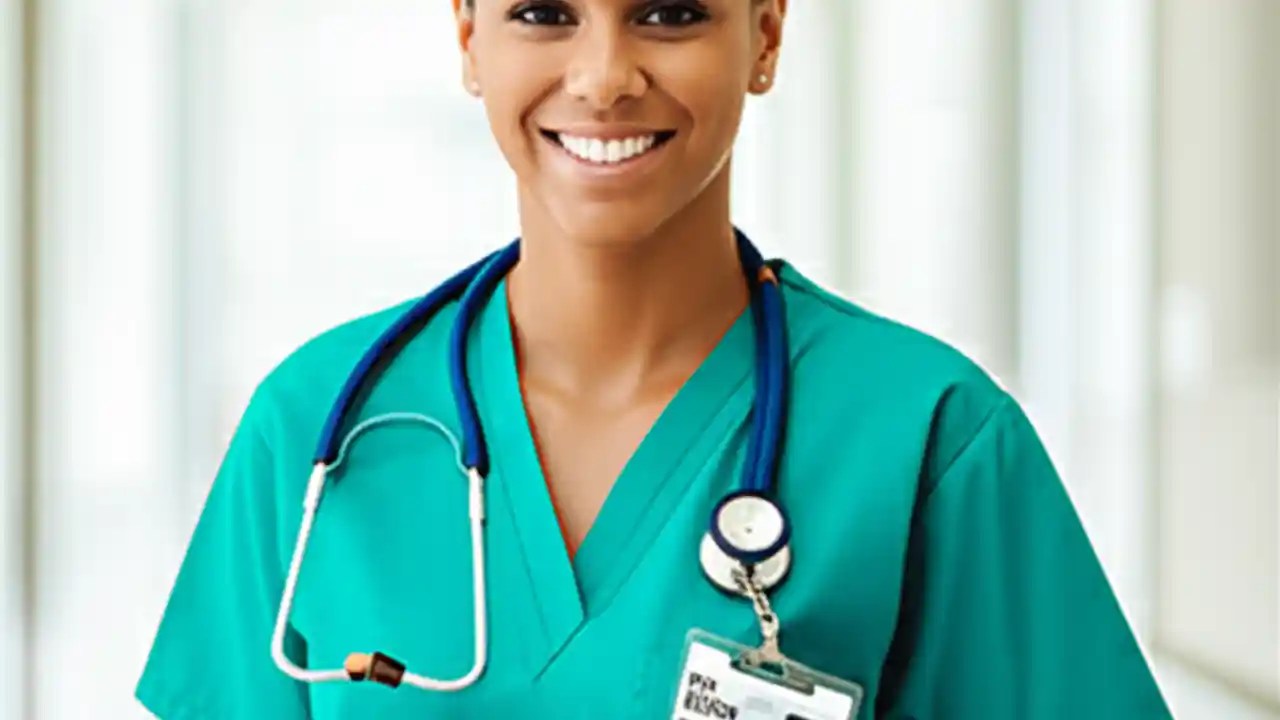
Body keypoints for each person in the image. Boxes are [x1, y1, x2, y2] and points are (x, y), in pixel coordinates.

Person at [135, 0, 1173, 717]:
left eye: (670, 13)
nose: (602, 76)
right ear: (466, 35)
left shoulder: (926, 438)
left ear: (764, 36)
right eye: (543, 13)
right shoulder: (315, 427)